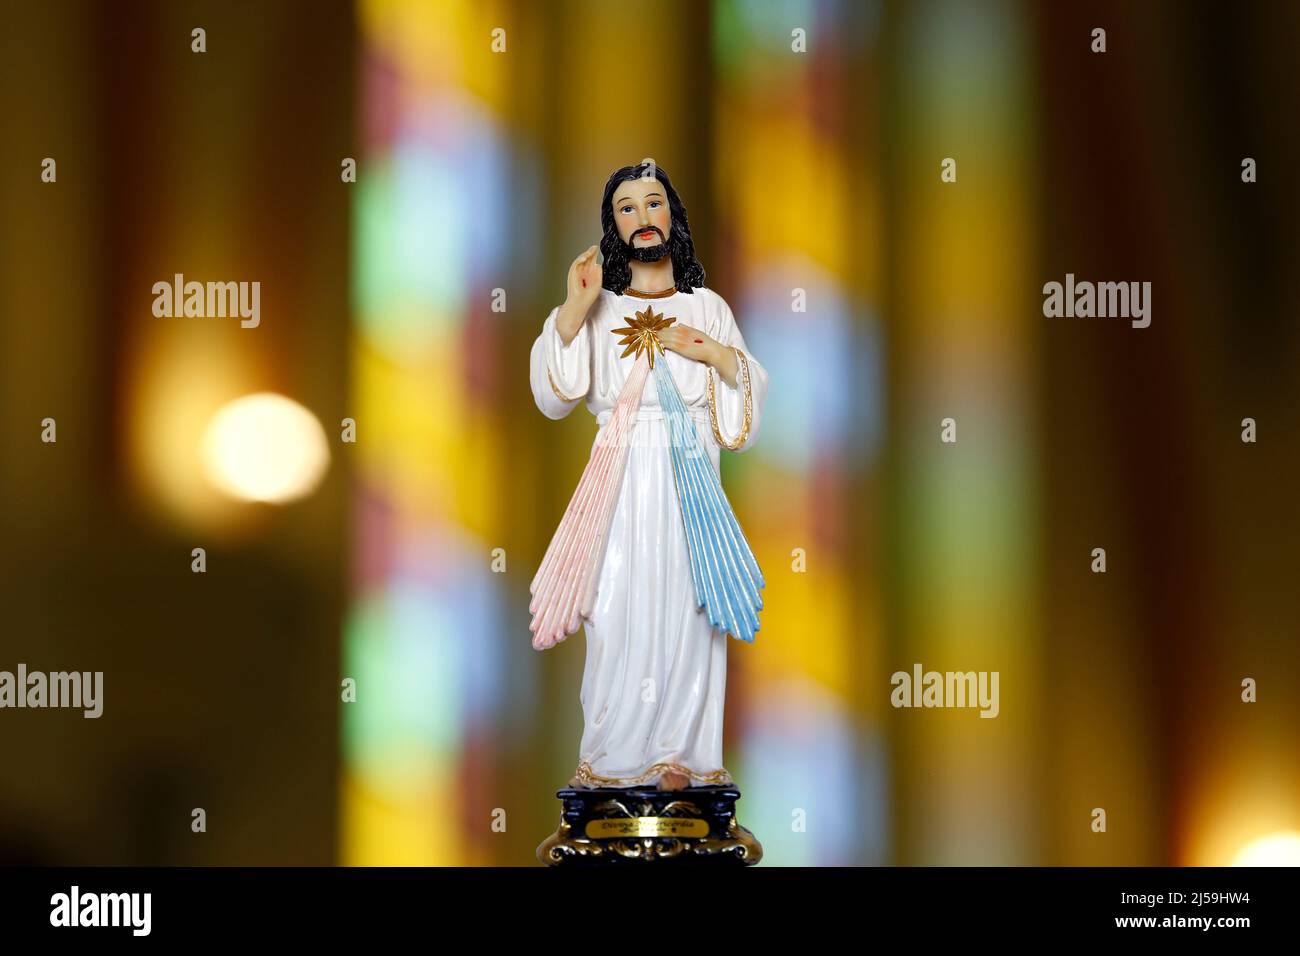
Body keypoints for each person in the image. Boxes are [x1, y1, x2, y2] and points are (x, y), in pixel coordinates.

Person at [528, 162, 769, 791]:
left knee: (690, 606)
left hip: (690, 473)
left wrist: (714, 354)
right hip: (620, 472)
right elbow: (557, 393)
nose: (641, 219)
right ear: (613, 225)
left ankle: (679, 756)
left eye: (653, 204)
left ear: (673, 217)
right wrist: (573, 309)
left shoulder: (707, 307)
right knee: (615, 605)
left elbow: (744, 405)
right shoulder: (600, 308)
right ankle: (609, 756)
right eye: (626, 208)